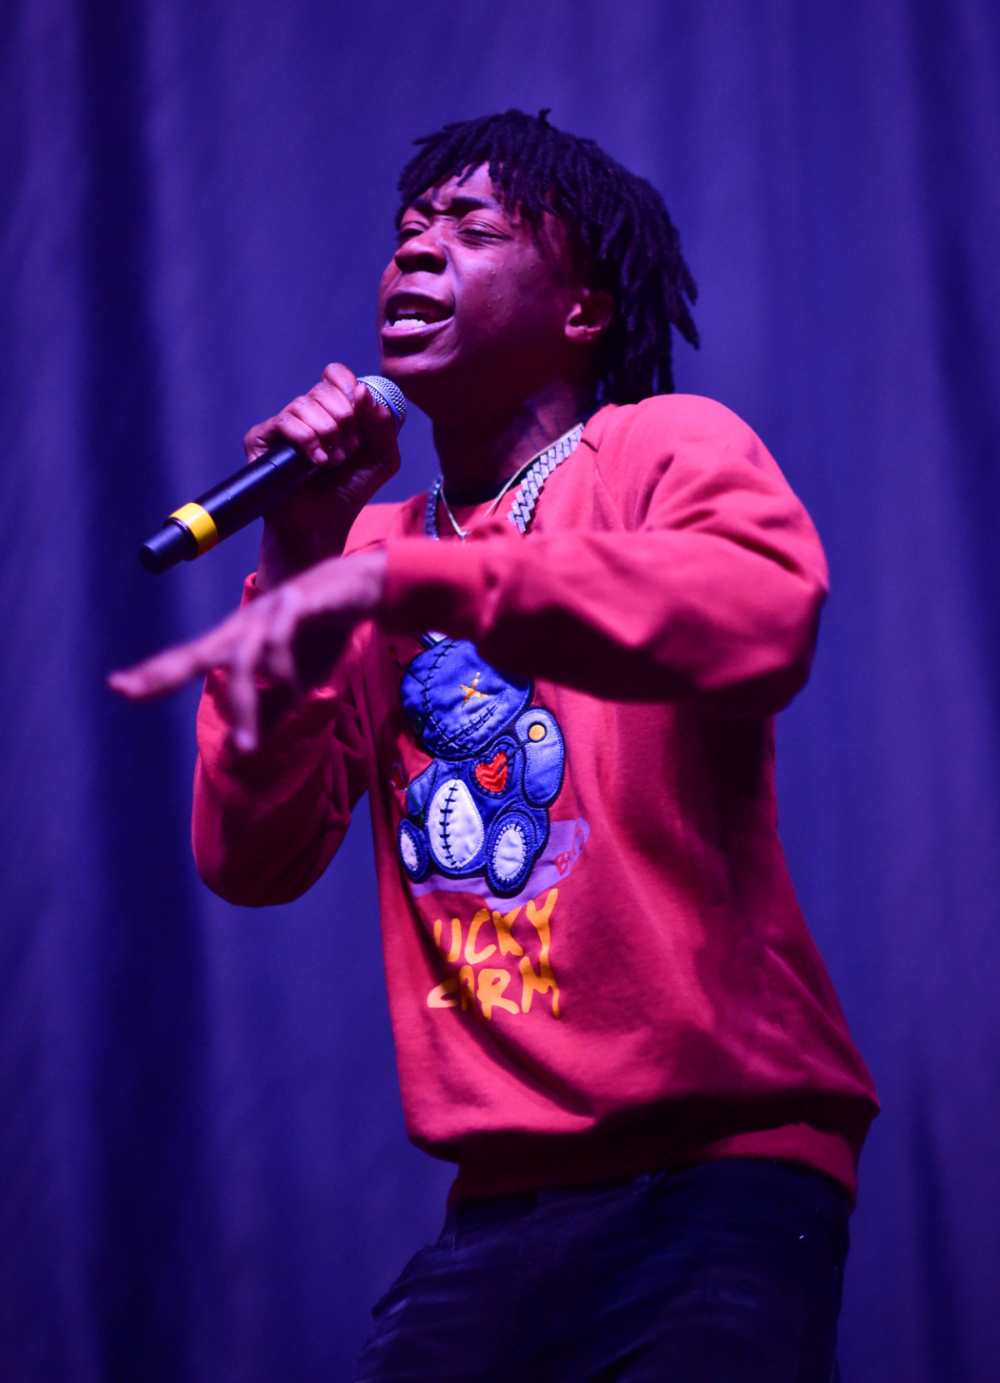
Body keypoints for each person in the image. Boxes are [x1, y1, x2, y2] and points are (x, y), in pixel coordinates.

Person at [112, 109, 879, 1381]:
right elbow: (251, 856)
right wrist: (301, 549)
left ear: (582, 311)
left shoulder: (660, 447)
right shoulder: (359, 554)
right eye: (409, 228)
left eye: (473, 227)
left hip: (724, 1168)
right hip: (499, 1201)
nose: (418, 249)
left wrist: (420, 581)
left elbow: (762, 618)